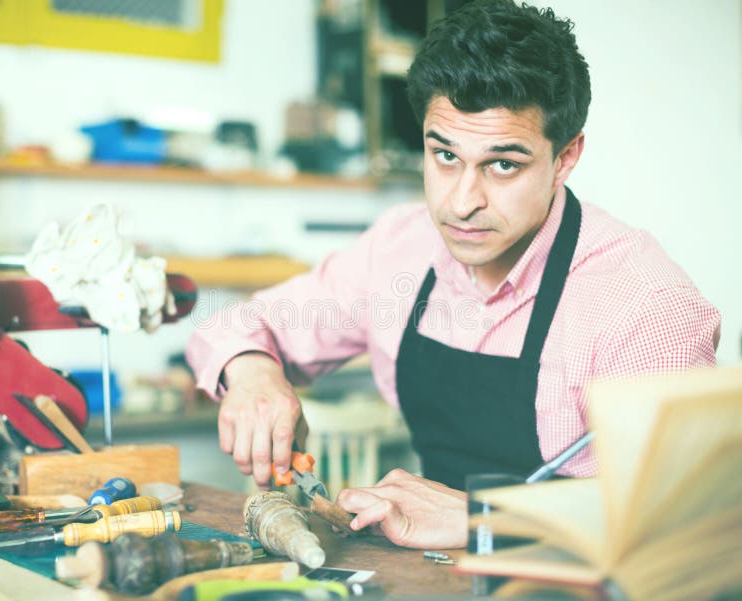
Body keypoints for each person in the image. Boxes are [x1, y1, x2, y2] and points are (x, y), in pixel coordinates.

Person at [186, 0, 720, 549]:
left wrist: (481, 519)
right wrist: (253, 374)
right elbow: (233, 323)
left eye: (503, 164)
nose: (462, 203)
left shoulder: (645, 306)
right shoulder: (399, 249)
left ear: (565, 157)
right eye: (444, 156)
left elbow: (686, 522)